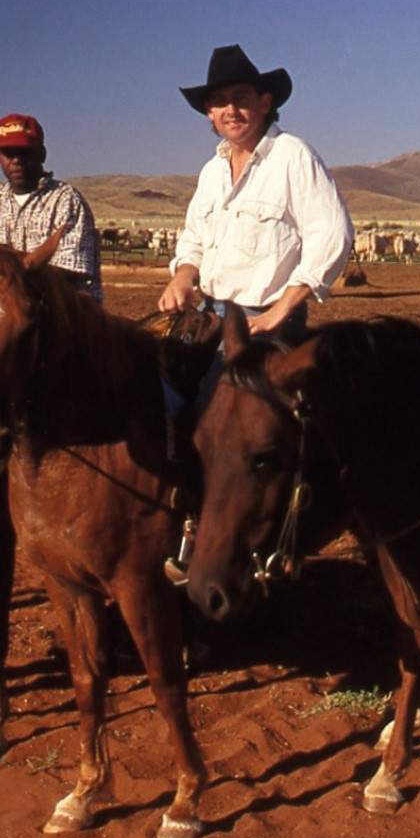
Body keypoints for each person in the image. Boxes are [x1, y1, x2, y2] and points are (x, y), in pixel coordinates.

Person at [157, 44, 354, 581]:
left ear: (265, 101)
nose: (230, 111)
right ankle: (174, 516)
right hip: (211, 316)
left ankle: (212, 532)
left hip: (269, 322)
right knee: (156, 396)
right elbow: (194, 238)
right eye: (218, 103)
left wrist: (283, 307)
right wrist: (182, 275)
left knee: (218, 415)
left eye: (240, 99)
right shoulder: (212, 171)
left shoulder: (292, 157)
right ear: (208, 113)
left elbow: (332, 236)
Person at [0, 113, 101, 302]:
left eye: (24, 151)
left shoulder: (66, 200)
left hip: (64, 318)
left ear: (42, 154)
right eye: (8, 153)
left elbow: (70, 272)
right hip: (3, 313)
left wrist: (12, 280)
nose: (16, 160)